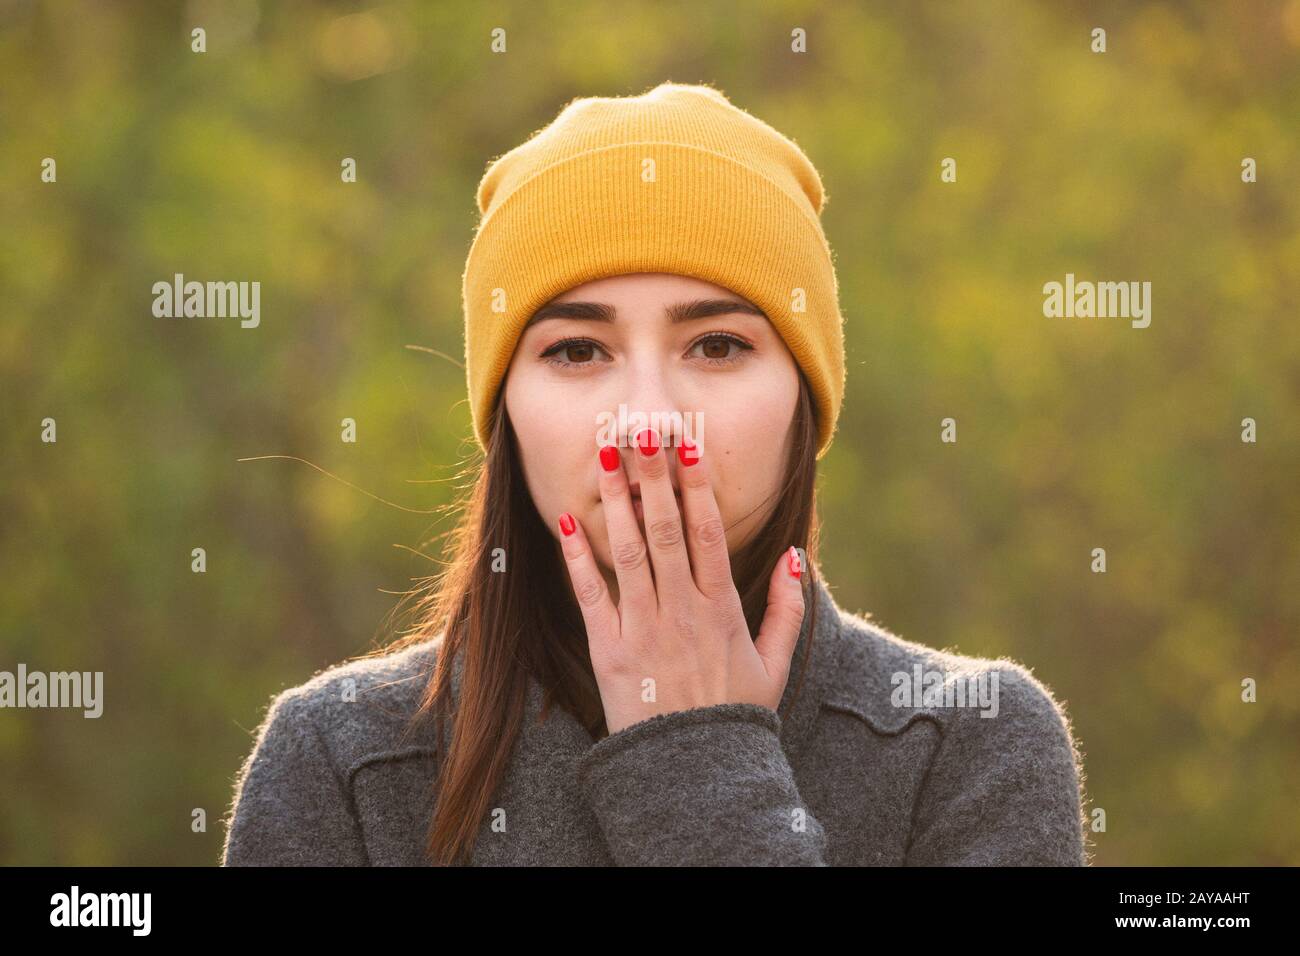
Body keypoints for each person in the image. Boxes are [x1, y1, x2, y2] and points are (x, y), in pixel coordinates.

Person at [221, 81, 1089, 866]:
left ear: (806, 400)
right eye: (575, 350)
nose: (646, 421)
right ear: (504, 413)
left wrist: (698, 759)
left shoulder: (970, 742)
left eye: (717, 345)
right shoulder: (341, 758)